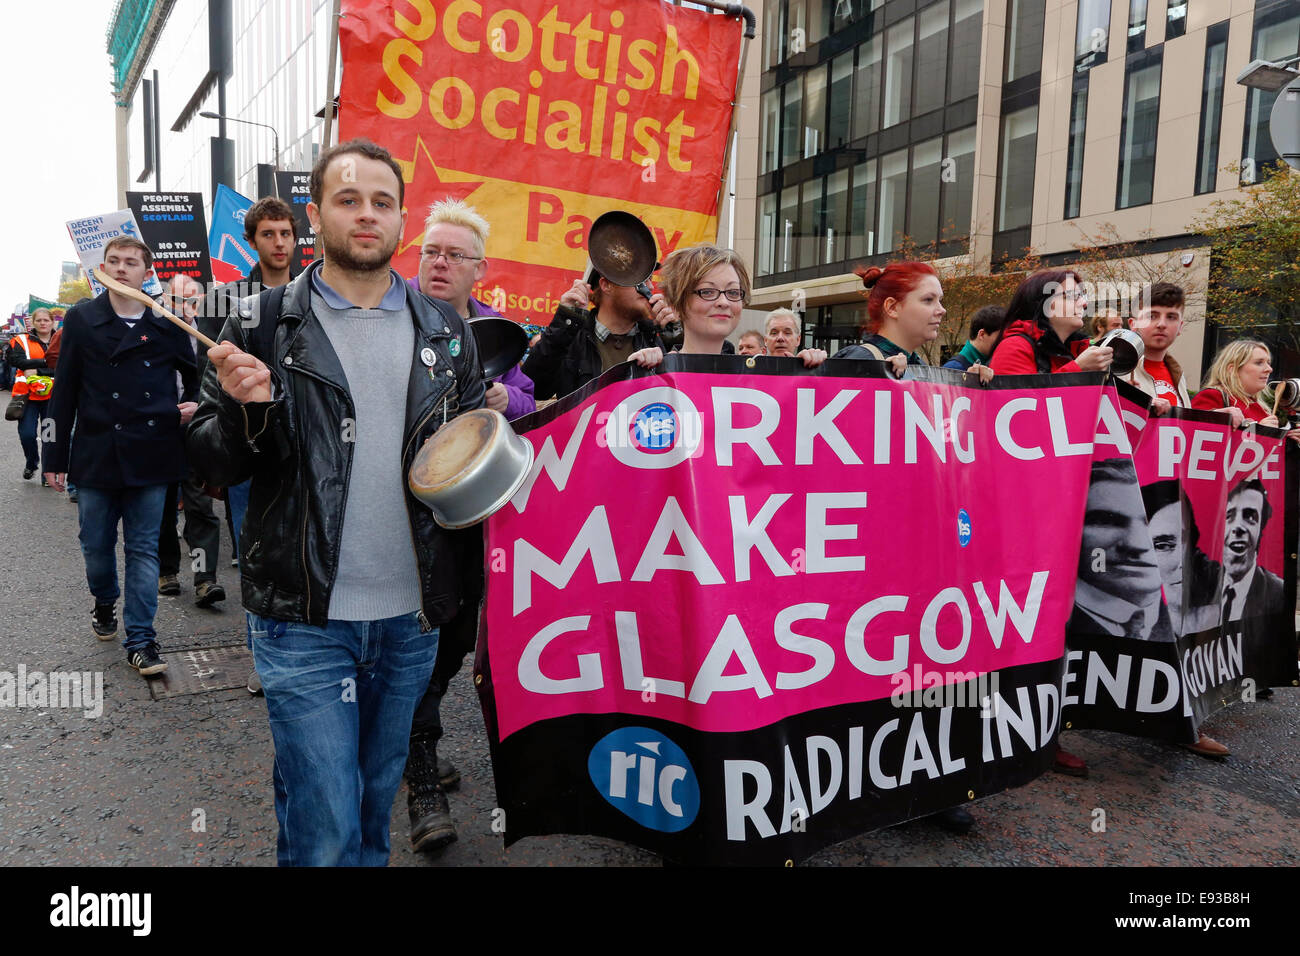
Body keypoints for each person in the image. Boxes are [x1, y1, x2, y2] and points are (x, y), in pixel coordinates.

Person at [186, 138, 486, 867]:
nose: (366, 215)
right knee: (325, 828)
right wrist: (245, 408)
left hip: (410, 621)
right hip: (304, 621)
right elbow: (208, 461)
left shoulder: (445, 333)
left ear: (401, 222)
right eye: (348, 200)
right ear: (317, 215)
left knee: (370, 815)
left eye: (382, 202)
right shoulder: (258, 322)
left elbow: (469, 455)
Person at [404, 196, 536, 852]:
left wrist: (503, 398)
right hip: (401, 517)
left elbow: (534, 400)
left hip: (476, 514)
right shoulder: (389, 317)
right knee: (417, 640)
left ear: (478, 270)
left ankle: (412, 738)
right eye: (432, 250)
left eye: (456, 255)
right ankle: (420, 772)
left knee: (457, 637)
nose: (441, 262)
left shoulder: (499, 334)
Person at [44, 236, 199, 677]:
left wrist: (195, 406)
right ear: (103, 269)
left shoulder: (165, 322)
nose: (121, 268)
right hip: (95, 454)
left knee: (144, 549)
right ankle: (104, 600)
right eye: (113, 261)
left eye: (131, 262)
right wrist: (54, 455)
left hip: (153, 452)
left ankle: (142, 640)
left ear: (146, 273)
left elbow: (198, 376)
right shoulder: (81, 319)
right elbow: (64, 391)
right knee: (95, 546)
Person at [196, 196, 300, 696]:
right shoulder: (231, 299)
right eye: (268, 235)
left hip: (302, 439)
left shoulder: (317, 288)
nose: (279, 243)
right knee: (255, 549)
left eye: (286, 234)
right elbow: (210, 366)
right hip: (246, 437)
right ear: (253, 242)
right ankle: (263, 655)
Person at [1140, 479, 1230, 758]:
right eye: (1164, 544)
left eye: (1185, 537)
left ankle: (1184, 722)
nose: (1181, 559)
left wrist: (1263, 439)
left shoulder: (1217, 591)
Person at [628, 245, 826, 368]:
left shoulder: (756, 377)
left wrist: (809, 374)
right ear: (677, 305)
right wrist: (638, 374)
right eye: (707, 291)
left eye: (732, 292)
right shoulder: (654, 370)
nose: (723, 302)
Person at [155, 273, 225, 608]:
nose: (185, 307)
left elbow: (218, 380)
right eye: (177, 299)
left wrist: (202, 406)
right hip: (161, 432)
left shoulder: (211, 333)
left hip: (197, 430)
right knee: (164, 508)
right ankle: (167, 571)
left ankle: (205, 579)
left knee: (200, 507)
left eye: (191, 300)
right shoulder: (152, 333)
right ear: (167, 300)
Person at [521, 257, 670, 400]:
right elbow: (533, 389)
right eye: (641, 279)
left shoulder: (654, 338)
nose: (650, 287)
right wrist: (563, 325)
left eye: (650, 278)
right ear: (606, 285)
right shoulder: (572, 339)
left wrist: (676, 338)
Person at [1068, 459, 1173, 643]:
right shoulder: (1041, 626)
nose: (1137, 544)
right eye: (1106, 521)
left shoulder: (1189, 622)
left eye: (1152, 522)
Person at [989, 270, 1113, 376]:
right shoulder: (1014, 347)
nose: (1084, 304)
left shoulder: (1077, 350)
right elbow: (1019, 402)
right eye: (1073, 296)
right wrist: (1078, 369)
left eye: (1082, 296)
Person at [1221, 478, 1283, 624]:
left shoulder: (1278, 594)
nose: (1237, 527)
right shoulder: (1202, 589)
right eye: (1229, 516)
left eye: (1249, 517)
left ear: (1261, 529)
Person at [1124, 283, 1191, 414]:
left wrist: (1220, 417)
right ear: (1133, 324)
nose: (1162, 324)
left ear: (1180, 327)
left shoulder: (1177, 374)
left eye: (1171, 317)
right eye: (1152, 316)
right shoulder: (1115, 370)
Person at [8, 307, 56, 481]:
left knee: (49, 438)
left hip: (53, 398)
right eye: (39, 320)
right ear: (33, 323)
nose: (43, 323)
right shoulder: (21, 340)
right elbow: (16, 361)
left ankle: (47, 474)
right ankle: (31, 462)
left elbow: (64, 365)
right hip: (27, 397)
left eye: (46, 320)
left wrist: (37, 369)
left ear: (52, 322)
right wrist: (47, 362)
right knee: (27, 434)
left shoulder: (63, 339)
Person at [1191, 340, 1280, 427]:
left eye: (1268, 363)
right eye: (1259, 363)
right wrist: (1260, 431)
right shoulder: (1213, 395)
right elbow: (1193, 429)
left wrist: (1288, 438)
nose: (1269, 369)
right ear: (1232, 369)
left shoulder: (1262, 408)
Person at [942, 305, 1006, 372]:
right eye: (1001, 337)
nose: (1005, 342)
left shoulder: (994, 364)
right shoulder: (953, 368)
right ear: (982, 334)